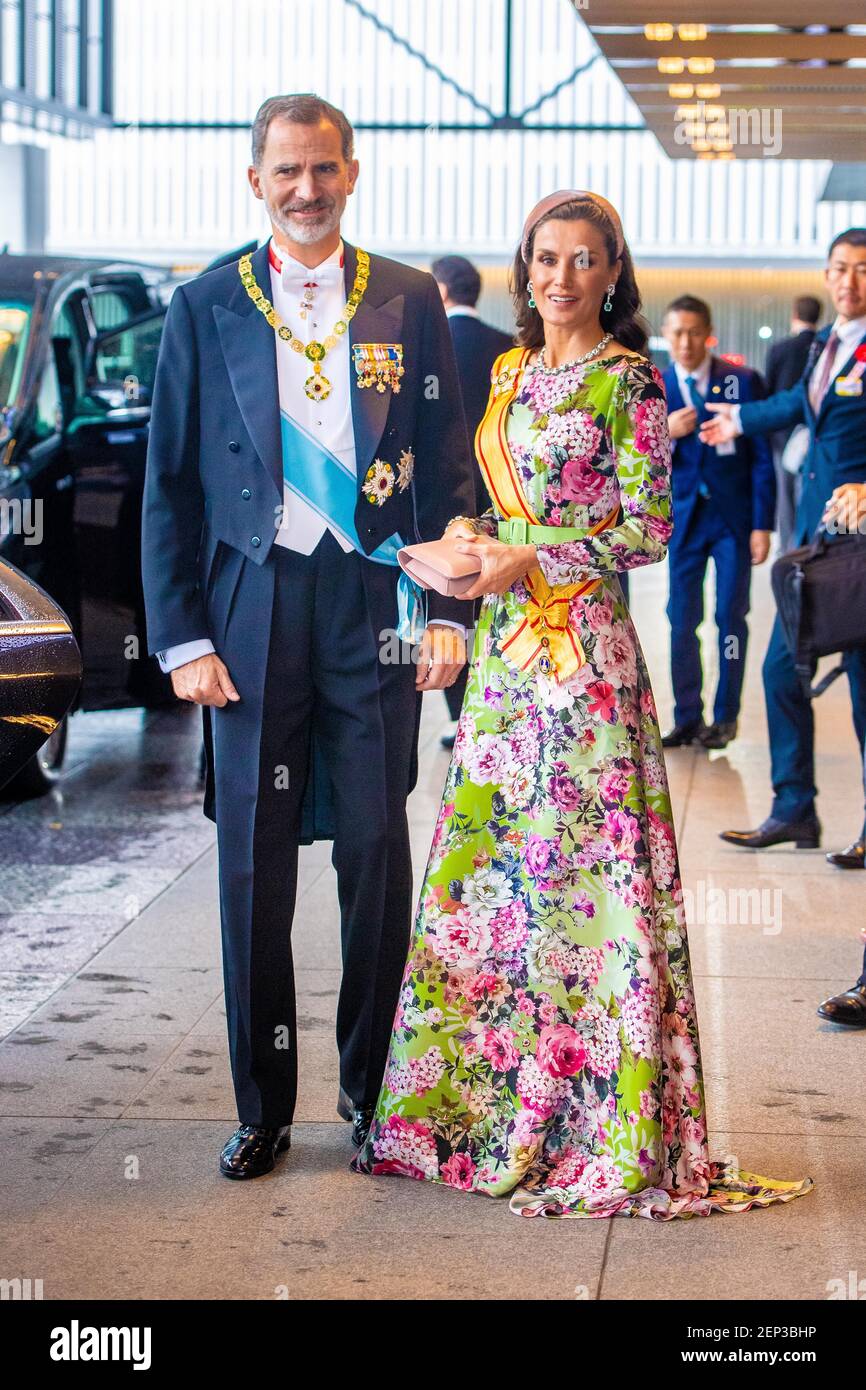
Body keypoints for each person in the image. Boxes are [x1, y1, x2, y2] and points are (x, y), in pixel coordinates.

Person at [350, 190, 813, 1219]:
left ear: (612, 273)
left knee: (590, 890)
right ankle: (477, 1115)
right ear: (526, 267)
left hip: (586, 656)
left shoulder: (627, 381)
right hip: (510, 656)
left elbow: (644, 528)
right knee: (496, 883)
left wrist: (536, 554)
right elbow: (489, 497)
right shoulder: (510, 373)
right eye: (543, 258)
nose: (559, 277)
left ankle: (598, 1122)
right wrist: (470, 539)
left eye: (581, 260)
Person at [141, 93, 477, 1180]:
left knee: (378, 852)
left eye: (323, 168)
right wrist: (182, 632)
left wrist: (448, 609)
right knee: (252, 862)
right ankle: (263, 1101)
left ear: (352, 171)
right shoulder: (201, 305)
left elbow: (445, 462)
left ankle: (372, 1093)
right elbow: (169, 487)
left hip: (371, 602)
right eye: (285, 170)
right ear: (254, 180)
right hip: (250, 609)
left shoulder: (410, 298)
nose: (305, 188)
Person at [703, 228, 866, 858]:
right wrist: (740, 419)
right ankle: (794, 807)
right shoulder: (830, 342)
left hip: (859, 550)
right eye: (839, 268)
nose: (848, 281)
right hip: (816, 544)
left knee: (862, 687)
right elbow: (805, 402)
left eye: (861, 270)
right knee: (779, 672)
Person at [660, 296, 774, 751]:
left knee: (731, 615)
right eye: (676, 333)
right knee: (682, 618)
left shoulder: (741, 381)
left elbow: (762, 457)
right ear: (667, 337)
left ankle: (725, 717)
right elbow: (634, 458)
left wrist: (762, 524)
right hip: (684, 520)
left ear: (708, 334)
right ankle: (687, 716)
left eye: (693, 333)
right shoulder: (659, 384)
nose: (685, 342)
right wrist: (666, 432)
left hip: (732, 519)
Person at [432, 254, 514, 748]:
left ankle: (459, 710)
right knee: (502, 599)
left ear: (441, 290)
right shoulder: (510, 350)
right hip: (504, 494)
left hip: (448, 495)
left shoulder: (430, 345)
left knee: (453, 592)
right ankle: (500, 699)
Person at [765, 296, 822, 553]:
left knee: (785, 499)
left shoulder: (781, 348)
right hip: (817, 434)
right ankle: (810, 545)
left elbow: (770, 394)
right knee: (810, 493)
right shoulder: (823, 347)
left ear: (794, 314)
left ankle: (788, 550)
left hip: (782, 435)